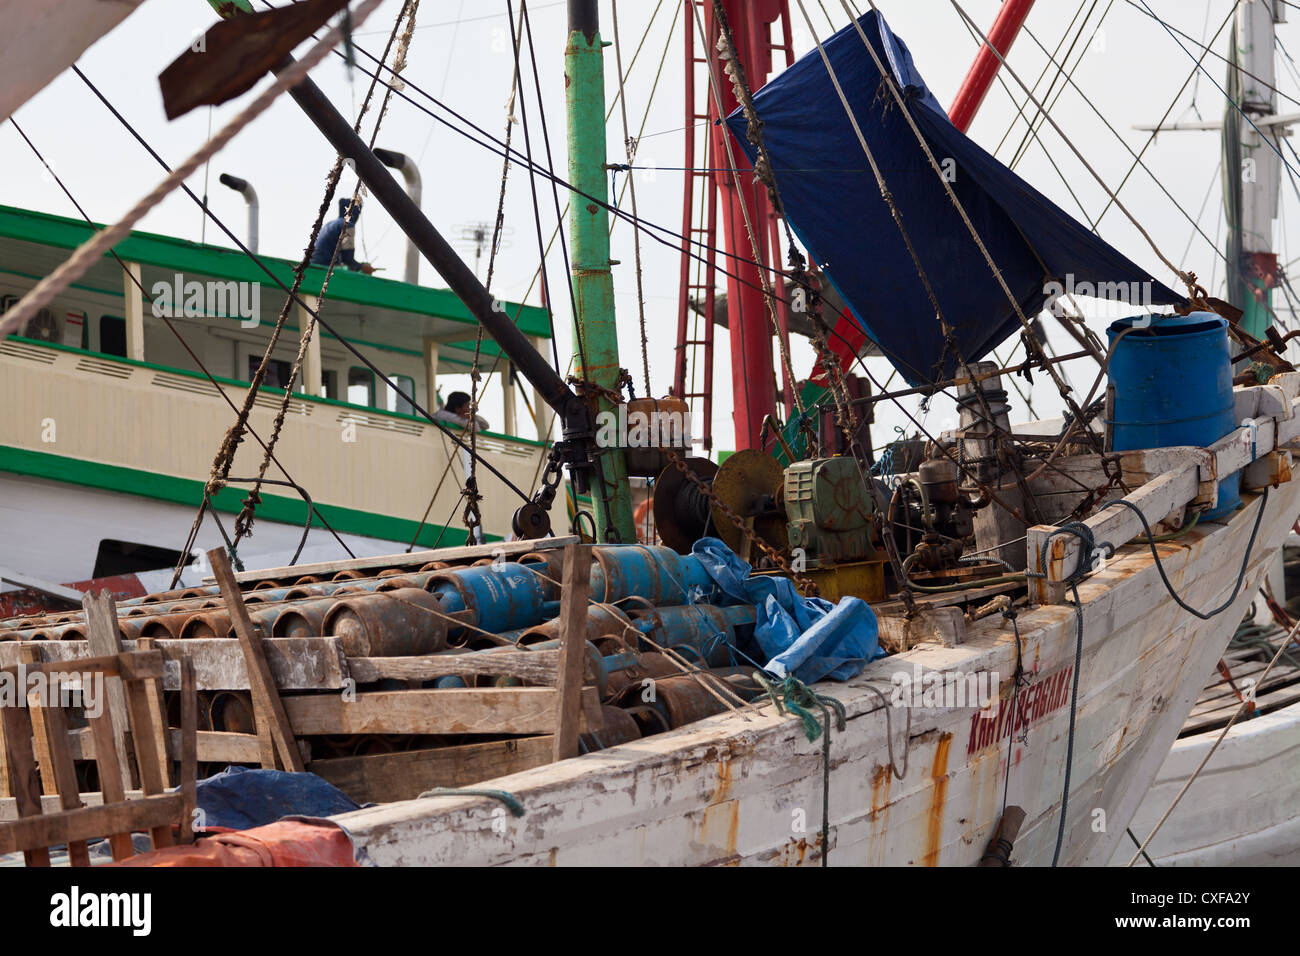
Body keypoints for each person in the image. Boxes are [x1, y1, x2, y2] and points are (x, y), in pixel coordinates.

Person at [311, 198, 375, 273]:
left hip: (311, 263)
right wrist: (362, 268)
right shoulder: (348, 225)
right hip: (324, 267)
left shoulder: (330, 224)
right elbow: (348, 259)